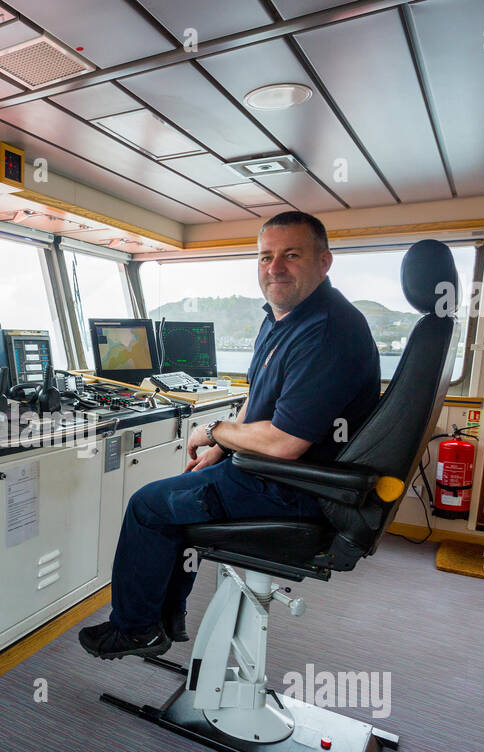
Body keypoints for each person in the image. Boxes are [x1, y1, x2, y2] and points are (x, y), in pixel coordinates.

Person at [79, 211, 381, 660]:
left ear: (324, 262)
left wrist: (213, 429)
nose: (274, 268)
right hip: (276, 473)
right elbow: (256, 402)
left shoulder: (326, 332)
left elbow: (284, 442)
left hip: (294, 487)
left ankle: (136, 628)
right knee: (177, 496)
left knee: (147, 506)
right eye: (265, 257)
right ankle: (164, 618)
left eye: (291, 255)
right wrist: (220, 447)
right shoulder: (283, 320)